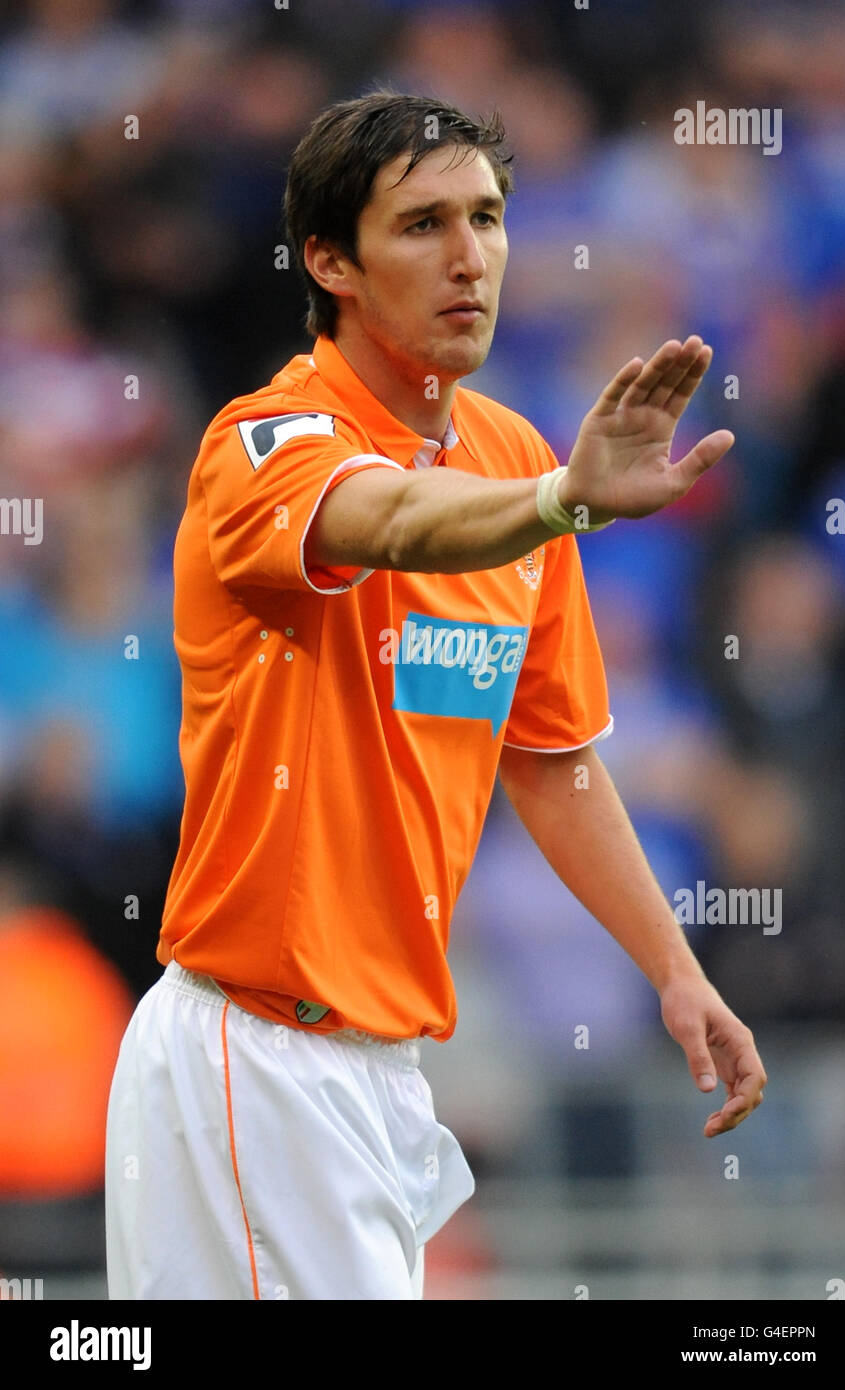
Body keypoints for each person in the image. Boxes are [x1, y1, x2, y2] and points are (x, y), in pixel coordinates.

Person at [104, 89, 767, 1301]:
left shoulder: (517, 456)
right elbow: (397, 518)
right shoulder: (265, 443)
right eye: (420, 225)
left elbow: (551, 756)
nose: (469, 257)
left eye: (488, 216)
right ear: (327, 261)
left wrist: (674, 971)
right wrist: (563, 502)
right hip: (258, 1059)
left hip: (380, 1070)